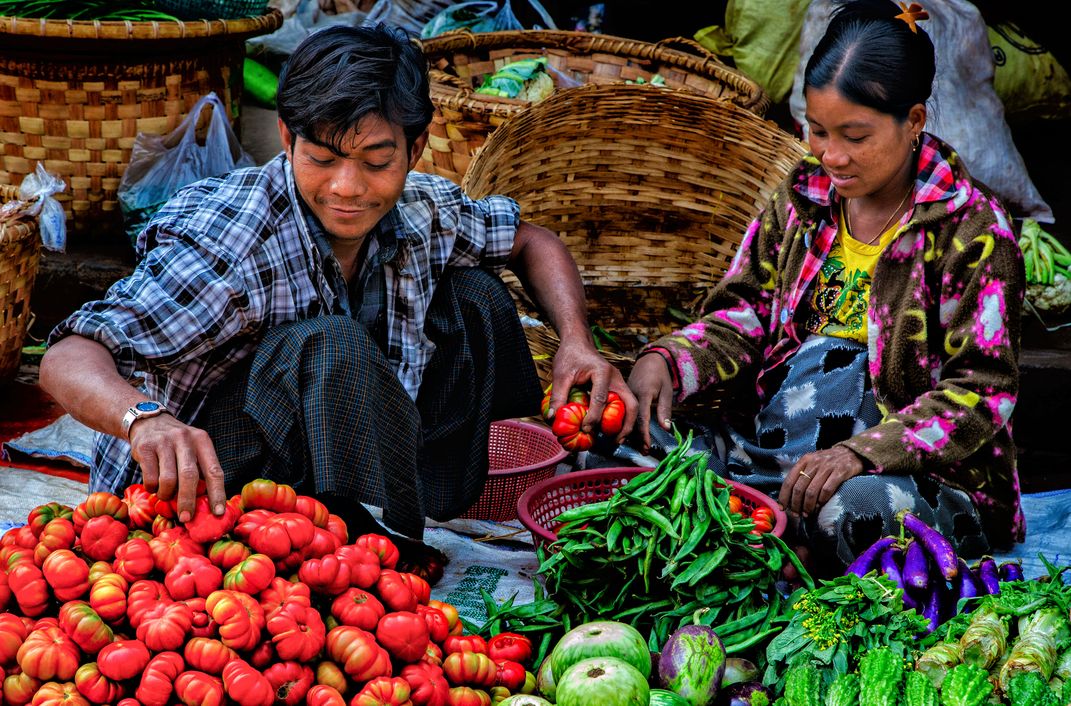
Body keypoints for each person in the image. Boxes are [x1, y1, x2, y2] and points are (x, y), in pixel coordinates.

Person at [39, 24, 637, 579]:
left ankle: (400, 510)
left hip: (321, 439)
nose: (347, 189)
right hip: (204, 487)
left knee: (475, 295)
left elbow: (531, 241)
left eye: (377, 161)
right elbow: (66, 356)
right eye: (322, 159)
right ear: (286, 138)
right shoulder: (232, 243)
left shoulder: (424, 208)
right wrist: (142, 419)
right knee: (328, 343)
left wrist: (576, 343)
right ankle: (348, 538)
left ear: (416, 148)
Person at [627, 0, 1025, 576]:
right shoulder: (802, 203)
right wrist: (672, 358)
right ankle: (778, 538)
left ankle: (771, 541)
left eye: (855, 136)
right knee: (621, 450)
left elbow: (982, 392)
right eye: (817, 131)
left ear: (914, 121)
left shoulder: (973, 233)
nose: (831, 156)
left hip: (905, 476)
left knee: (855, 516)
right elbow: (745, 313)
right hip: (770, 451)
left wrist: (861, 454)